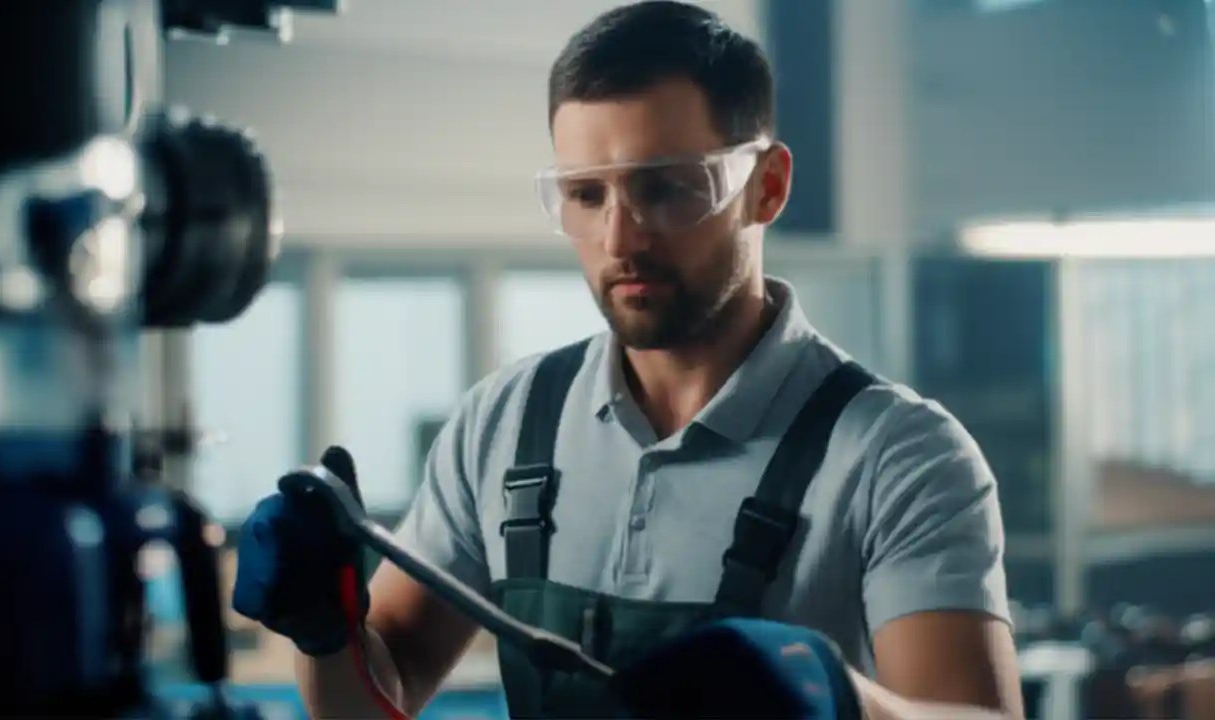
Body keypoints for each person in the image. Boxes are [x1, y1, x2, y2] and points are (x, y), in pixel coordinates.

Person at [232, 2, 1024, 718]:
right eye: (586, 195)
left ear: (767, 188)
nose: (620, 239)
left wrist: (844, 703)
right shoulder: (506, 425)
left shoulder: (900, 455)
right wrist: (324, 629)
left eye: (668, 189)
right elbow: (382, 694)